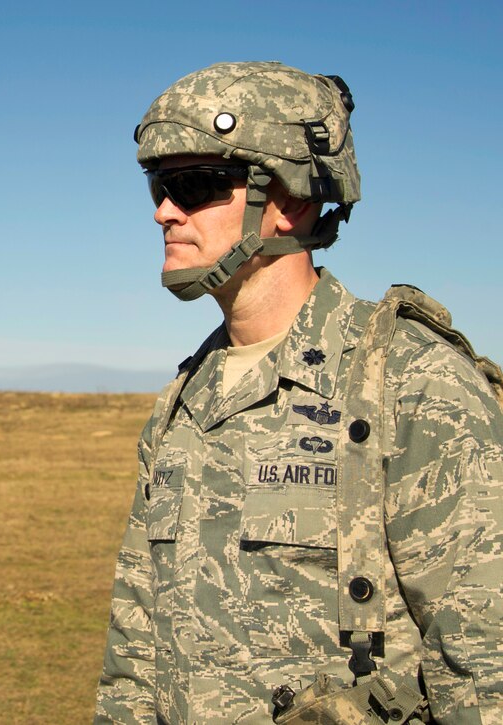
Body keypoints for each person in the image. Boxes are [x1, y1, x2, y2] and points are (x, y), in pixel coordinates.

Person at [96, 61, 503, 723]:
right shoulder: (182, 404)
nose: (164, 211)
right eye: (158, 186)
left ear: (289, 203)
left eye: (195, 185)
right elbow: (134, 656)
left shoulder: (409, 383)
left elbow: (485, 674)